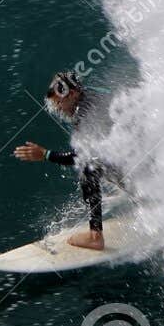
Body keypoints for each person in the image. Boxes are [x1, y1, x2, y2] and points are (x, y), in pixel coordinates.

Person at [13, 71, 108, 250]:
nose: (56, 106)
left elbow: (84, 158)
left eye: (59, 100)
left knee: (89, 166)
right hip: (143, 156)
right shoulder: (90, 97)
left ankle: (96, 236)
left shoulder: (86, 113)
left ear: (73, 93)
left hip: (138, 161)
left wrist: (46, 155)